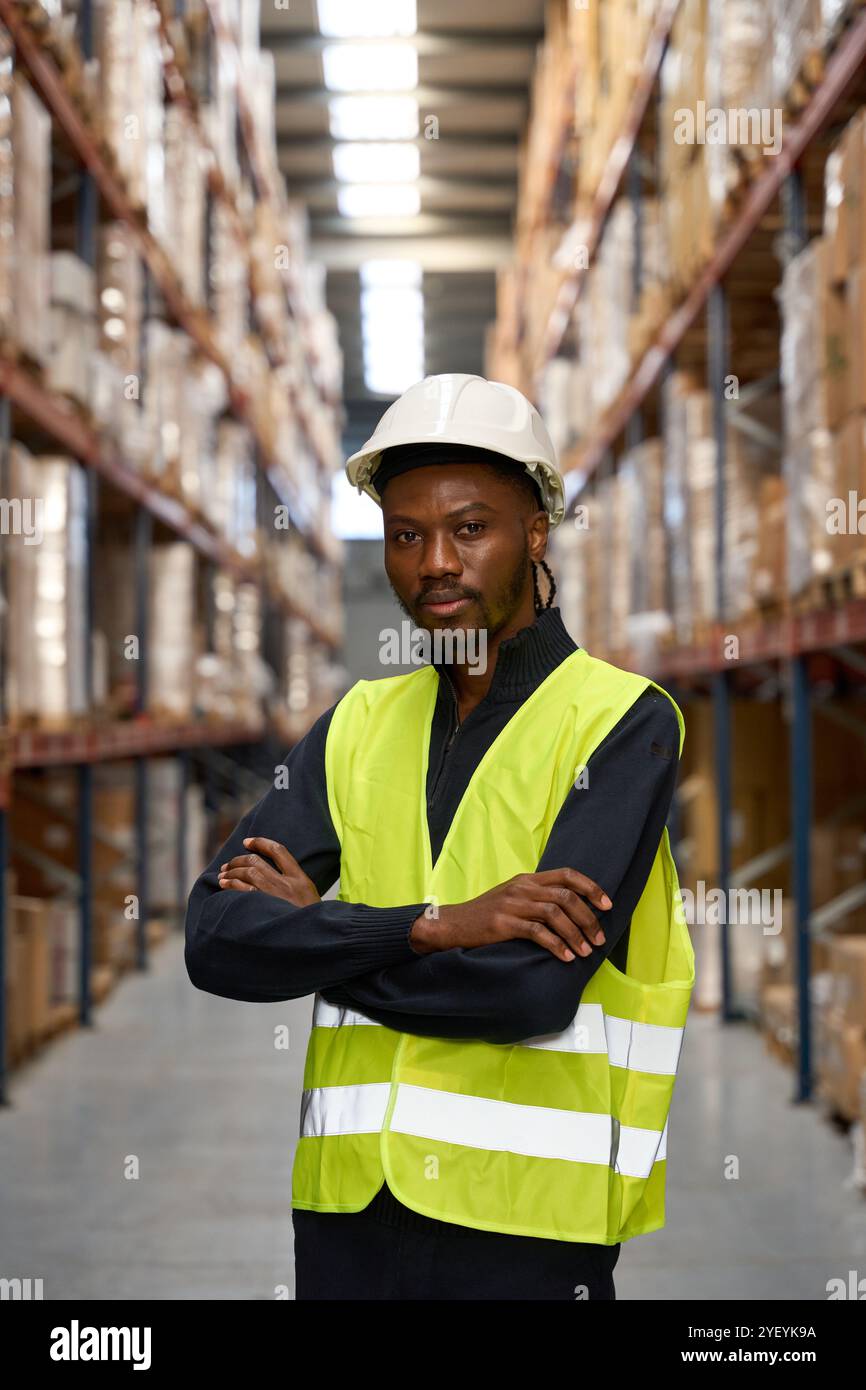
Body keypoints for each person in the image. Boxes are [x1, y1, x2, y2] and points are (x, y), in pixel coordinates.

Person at [185, 373, 695, 1302]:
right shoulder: (357, 724)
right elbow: (215, 942)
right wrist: (431, 926)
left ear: (535, 533)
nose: (435, 564)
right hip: (348, 1221)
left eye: (471, 528)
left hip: (524, 1227)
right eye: (406, 534)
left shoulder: (622, 724)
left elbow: (528, 991)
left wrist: (321, 941)